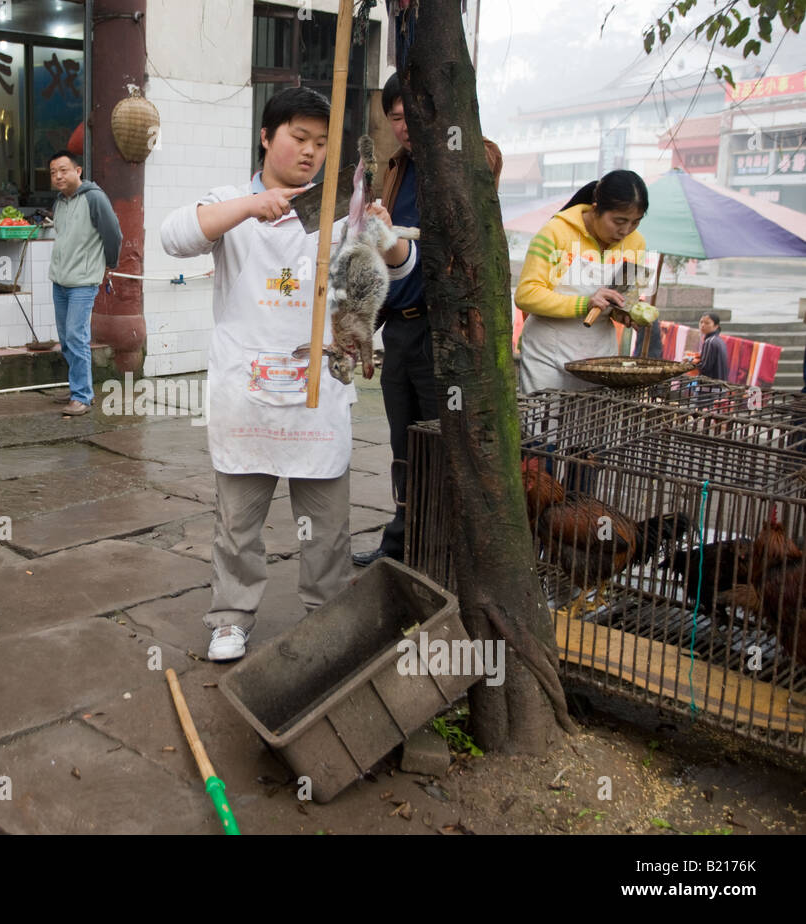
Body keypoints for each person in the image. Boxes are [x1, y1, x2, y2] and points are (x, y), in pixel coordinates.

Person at [161, 87, 416, 661]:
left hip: (316, 392)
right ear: (266, 136)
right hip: (247, 393)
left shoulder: (336, 210)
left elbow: (399, 270)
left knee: (327, 528)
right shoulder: (230, 202)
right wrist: (252, 207)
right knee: (238, 522)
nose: (310, 152)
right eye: (299, 138)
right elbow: (175, 236)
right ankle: (230, 617)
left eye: (321, 143)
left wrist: (388, 239)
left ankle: (327, 617)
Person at [354, 73, 503, 568]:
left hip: (447, 330)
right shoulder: (395, 169)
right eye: (395, 117)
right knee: (403, 443)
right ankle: (401, 544)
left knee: (444, 442)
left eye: (413, 114)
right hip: (401, 325)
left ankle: (441, 549)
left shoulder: (470, 156)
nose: (404, 126)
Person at [515, 169, 650, 395]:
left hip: (599, 357)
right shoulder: (555, 233)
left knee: (595, 427)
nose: (625, 231)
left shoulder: (636, 244)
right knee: (544, 425)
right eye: (619, 221)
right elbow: (526, 295)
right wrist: (585, 303)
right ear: (596, 208)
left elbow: (623, 300)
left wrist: (626, 313)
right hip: (548, 353)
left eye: (635, 222)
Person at [47, 150, 121, 415]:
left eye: (64, 170)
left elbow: (113, 234)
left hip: (83, 281)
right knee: (66, 338)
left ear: (78, 171)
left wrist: (109, 265)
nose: (58, 176)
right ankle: (78, 386)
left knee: (77, 337)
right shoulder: (60, 202)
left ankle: (82, 396)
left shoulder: (94, 198)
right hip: (60, 280)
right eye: (54, 172)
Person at [697, 311, 730, 380]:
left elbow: (704, 367)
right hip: (720, 385)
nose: (702, 325)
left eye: (707, 323)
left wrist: (690, 361)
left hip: (710, 386)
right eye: (701, 322)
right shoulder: (719, 340)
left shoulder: (710, 342)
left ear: (716, 326)